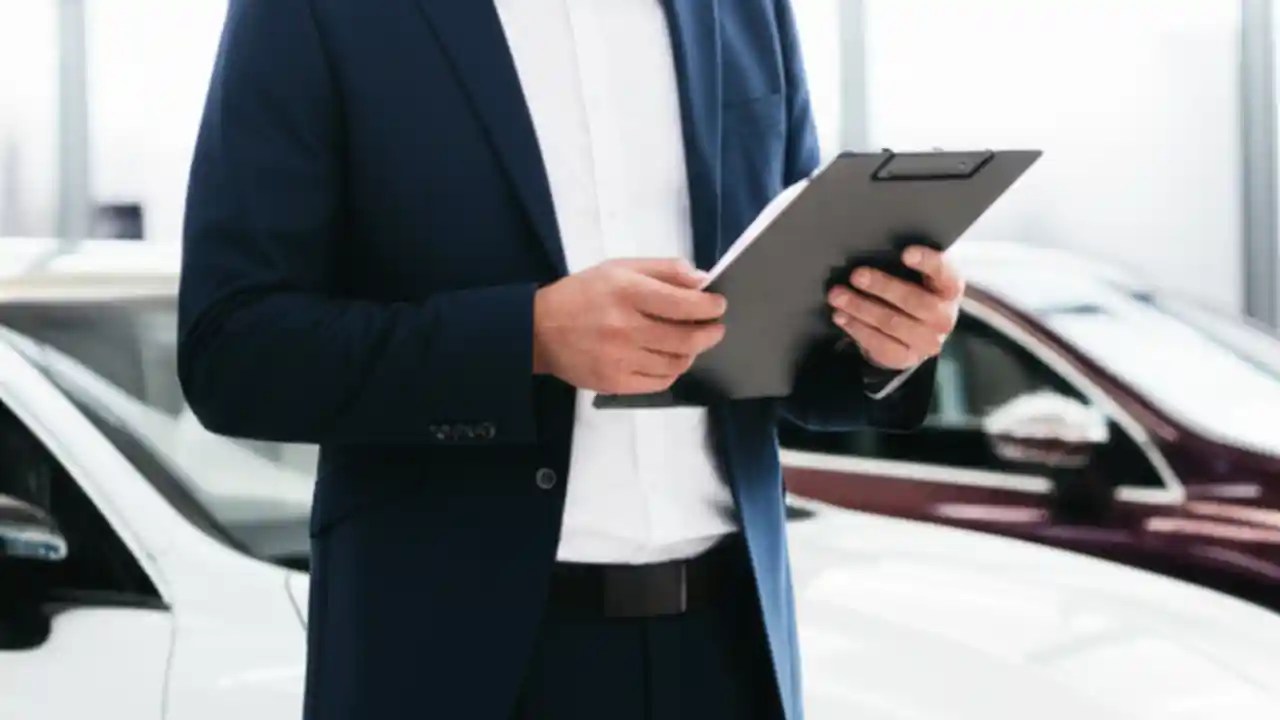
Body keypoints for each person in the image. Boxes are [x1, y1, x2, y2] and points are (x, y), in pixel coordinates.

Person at [179, 1, 965, 718]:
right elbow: (233, 350)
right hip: (454, 662)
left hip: (733, 651)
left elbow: (792, 335)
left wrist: (883, 341)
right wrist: (529, 337)